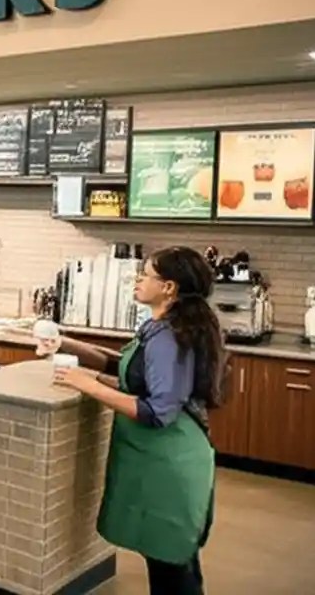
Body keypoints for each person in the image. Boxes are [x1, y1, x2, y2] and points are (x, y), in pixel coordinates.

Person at [52, 246, 225, 595]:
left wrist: (87, 384)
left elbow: (156, 411)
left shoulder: (170, 337)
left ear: (169, 288)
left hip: (170, 465)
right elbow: (131, 372)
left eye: (145, 275)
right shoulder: (163, 328)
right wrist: (67, 345)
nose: (137, 280)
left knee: (173, 570)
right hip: (162, 464)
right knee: (168, 564)